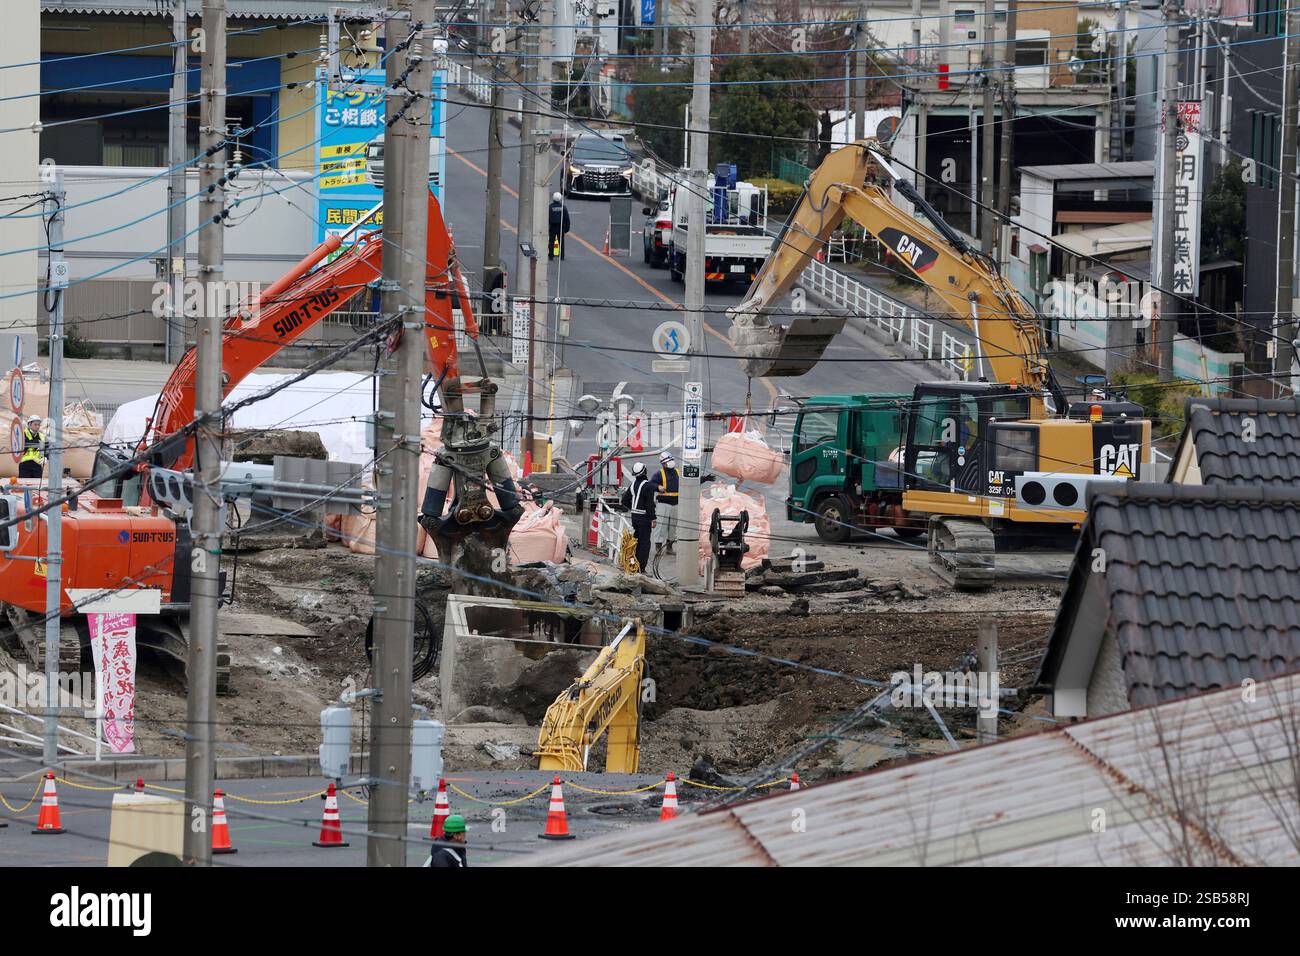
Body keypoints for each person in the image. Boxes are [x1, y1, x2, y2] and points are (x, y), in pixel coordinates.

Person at [619, 461, 656, 572]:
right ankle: (641, 568)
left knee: (636, 541)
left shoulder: (633, 484)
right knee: (645, 544)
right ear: (645, 472)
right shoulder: (648, 486)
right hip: (644, 518)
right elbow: (649, 505)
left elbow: (624, 500)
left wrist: (633, 507)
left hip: (634, 516)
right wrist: (653, 518)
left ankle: (633, 564)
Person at [652, 453, 679, 555]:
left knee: (673, 527)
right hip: (663, 503)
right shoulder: (659, 474)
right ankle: (658, 546)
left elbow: (689, 481)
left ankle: (669, 547)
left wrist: (703, 479)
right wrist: (658, 487)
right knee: (661, 525)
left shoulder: (678, 472)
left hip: (676, 504)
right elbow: (651, 484)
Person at [19, 414, 45, 479]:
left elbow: (45, 448)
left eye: (39, 425)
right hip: (25, 465)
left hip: (37, 466)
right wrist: (38, 443)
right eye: (35, 424)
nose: (37, 426)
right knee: (24, 486)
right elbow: (25, 444)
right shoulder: (23, 433)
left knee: (37, 487)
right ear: (29, 424)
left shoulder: (42, 436)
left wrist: (45, 457)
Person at [548, 191, 571, 260]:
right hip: (561, 227)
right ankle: (562, 256)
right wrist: (567, 228)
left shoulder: (550, 207)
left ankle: (551, 255)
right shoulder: (563, 207)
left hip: (552, 227)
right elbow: (567, 219)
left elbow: (547, 217)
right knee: (561, 242)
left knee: (551, 242)